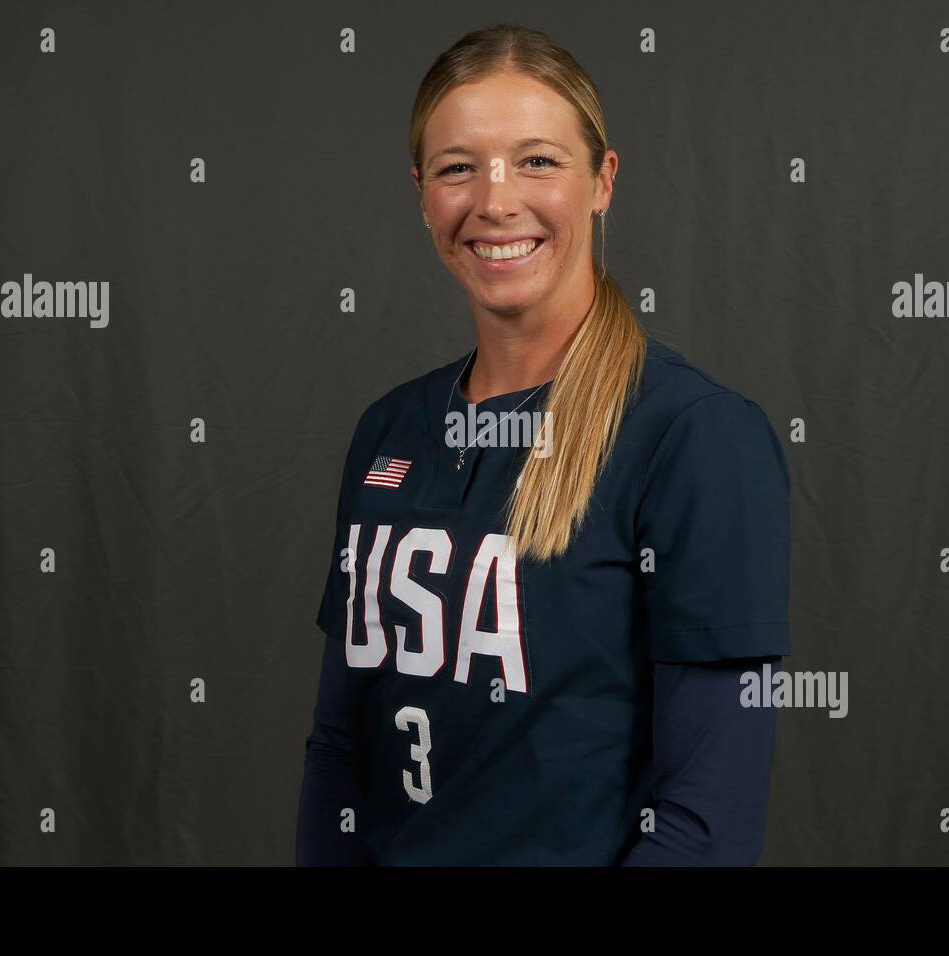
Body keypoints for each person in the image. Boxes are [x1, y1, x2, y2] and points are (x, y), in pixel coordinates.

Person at [296, 23, 790, 866]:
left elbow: (707, 819)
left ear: (602, 181)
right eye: (458, 167)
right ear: (422, 193)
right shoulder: (387, 430)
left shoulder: (695, 438)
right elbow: (341, 746)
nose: (495, 201)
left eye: (537, 160)